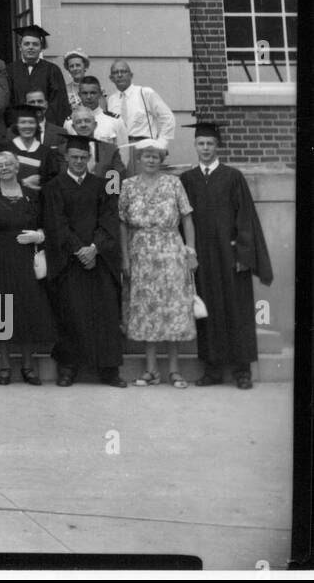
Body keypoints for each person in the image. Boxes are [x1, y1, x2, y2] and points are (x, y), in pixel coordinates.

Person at [179, 122, 273, 389]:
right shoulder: (187, 179)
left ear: (217, 146)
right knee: (208, 309)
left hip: (231, 254)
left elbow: (246, 218)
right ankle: (213, 369)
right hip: (203, 256)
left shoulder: (233, 176)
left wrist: (244, 253)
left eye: (210, 143)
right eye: (201, 143)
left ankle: (242, 370)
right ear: (195, 146)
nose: (206, 148)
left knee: (237, 309)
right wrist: (187, 253)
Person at [42, 135, 126, 387]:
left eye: (83, 157)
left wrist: (95, 248)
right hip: (69, 261)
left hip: (99, 260)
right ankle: (68, 367)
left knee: (106, 314)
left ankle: (109, 370)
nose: (79, 161)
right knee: (71, 314)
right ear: (66, 158)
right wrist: (79, 249)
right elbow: (56, 224)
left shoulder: (104, 185)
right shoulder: (53, 187)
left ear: (90, 159)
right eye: (74, 157)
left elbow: (110, 219)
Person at [119, 139, 198, 388]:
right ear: (139, 159)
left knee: (172, 310)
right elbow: (121, 222)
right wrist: (124, 258)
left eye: (155, 156)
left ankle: (174, 370)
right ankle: (151, 370)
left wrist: (190, 252)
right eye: (146, 156)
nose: (151, 160)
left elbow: (187, 218)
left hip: (171, 251)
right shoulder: (128, 185)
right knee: (146, 311)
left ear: (161, 159)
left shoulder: (174, 183)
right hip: (140, 253)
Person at [0, 152, 51, 385]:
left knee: (28, 308)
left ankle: (28, 366)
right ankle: (5, 365)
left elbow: (45, 224)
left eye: (8, 164)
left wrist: (38, 236)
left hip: (25, 256)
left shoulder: (31, 194)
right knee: (0, 309)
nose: (4, 168)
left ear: (17, 167)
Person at [7, 24, 69, 126]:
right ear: (20, 47)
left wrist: (45, 126)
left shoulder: (52, 70)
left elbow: (58, 103)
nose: (31, 47)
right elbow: (8, 102)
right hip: (18, 127)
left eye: (35, 44)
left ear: (41, 48)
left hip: (46, 126)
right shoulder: (10, 70)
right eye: (26, 44)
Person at [106, 60, 176, 150]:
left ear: (131, 75)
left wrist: (161, 143)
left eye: (123, 71)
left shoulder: (145, 93)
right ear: (111, 78)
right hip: (120, 149)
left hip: (144, 147)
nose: (119, 75)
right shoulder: (111, 100)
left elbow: (168, 117)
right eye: (115, 73)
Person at [0, 106, 57, 192]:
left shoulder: (46, 152)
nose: (27, 126)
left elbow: (52, 182)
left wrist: (41, 187)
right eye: (23, 122)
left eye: (31, 122)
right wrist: (24, 182)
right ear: (17, 125)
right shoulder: (5, 149)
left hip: (38, 201)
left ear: (37, 125)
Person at [65, 76, 129, 154]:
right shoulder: (69, 123)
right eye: (85, 93)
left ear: (100, 94)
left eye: (93, 93)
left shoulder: (115, 121)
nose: (89, 97)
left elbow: (124, 152)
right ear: (79, 95)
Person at [67, 108, 126, 181]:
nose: (83, 125)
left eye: (87, 121)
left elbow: (120, 178)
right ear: (73, 127)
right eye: (79, 122)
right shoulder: (63, 150)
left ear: (95, 125)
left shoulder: (110, 150)